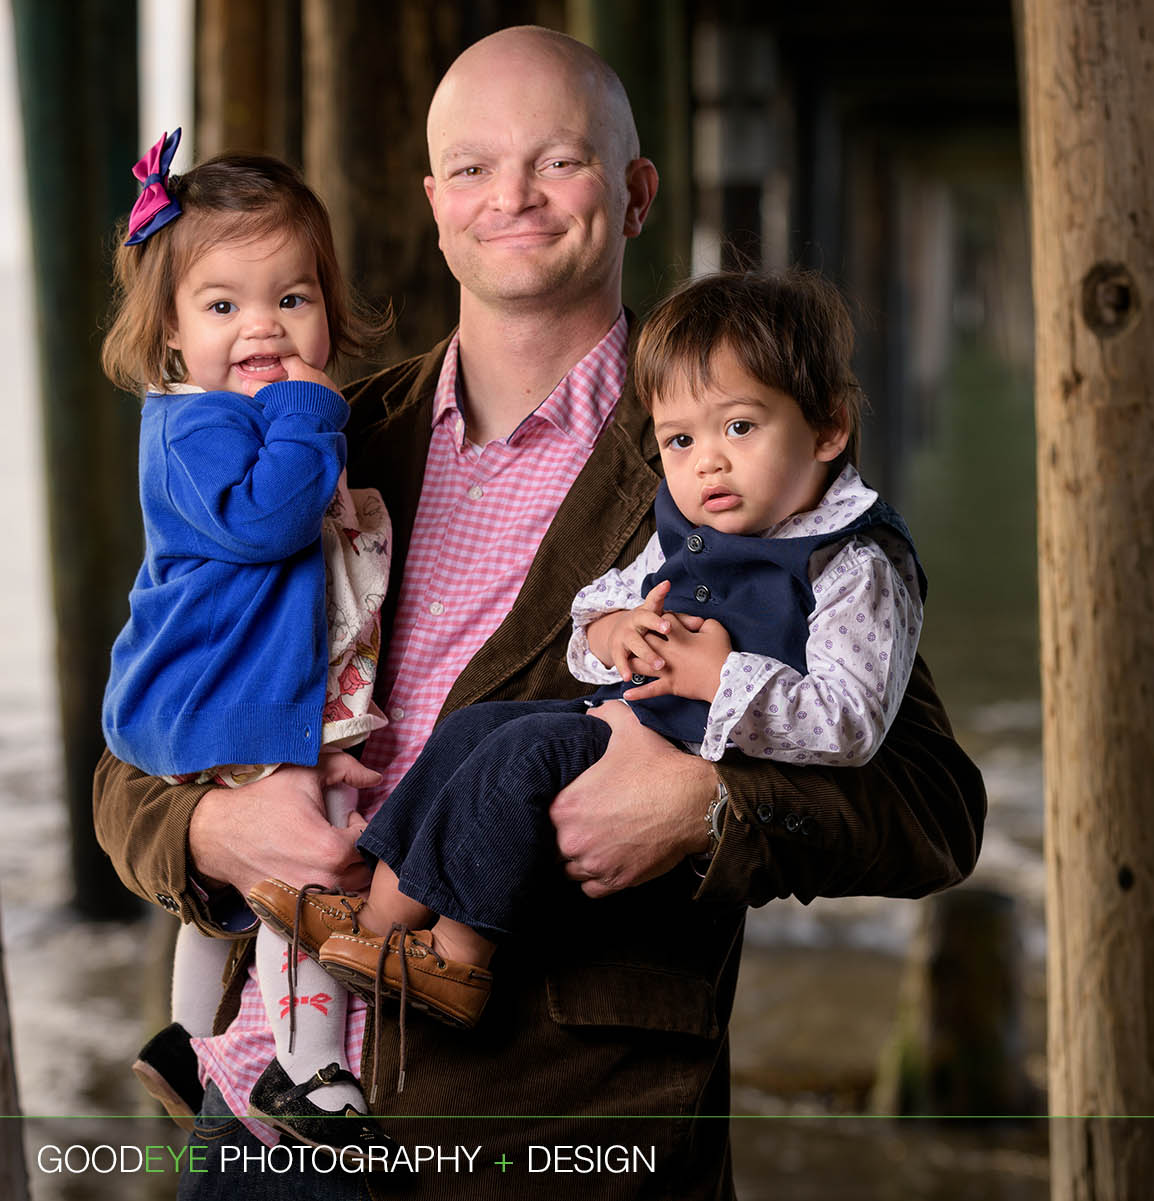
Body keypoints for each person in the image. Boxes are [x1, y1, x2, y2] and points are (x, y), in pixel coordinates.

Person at [92, 24, 983, 1201]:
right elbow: (134, 753)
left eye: (556, 160)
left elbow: (932, 805)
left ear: (635, 191)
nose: (510, 195)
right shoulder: (315, 443)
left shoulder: (731, 456)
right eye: (472, 167)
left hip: (551, 1142)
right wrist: (214, 836)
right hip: (258, 1124)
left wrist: (706, 807)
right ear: (434, 200)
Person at [247, 270, 925, 1047]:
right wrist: (616, 633)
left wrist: (716, 702)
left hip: (667, 753)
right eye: (680, 440)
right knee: (475, 729)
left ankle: (459, 954)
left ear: (829, 428)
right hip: (623, 710)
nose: (708, 463)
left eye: (740, 428)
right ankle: (376, 913)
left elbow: (858, 724)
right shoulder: (688, 524)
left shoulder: (851, 562)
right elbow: (602, 601)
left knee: (524, 761)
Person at [96, 134, 395, 1155]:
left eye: (293, 298)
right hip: (216, 696)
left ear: (327, 302)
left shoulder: (234, 415)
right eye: (223, 305)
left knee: (222, 899)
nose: (262, 326)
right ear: (171, 333)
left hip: (218, 689)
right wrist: (311, 405)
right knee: (301, 884)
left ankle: (188, 1040)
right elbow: (270, 523)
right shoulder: (200, 426)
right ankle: (309, 1068)